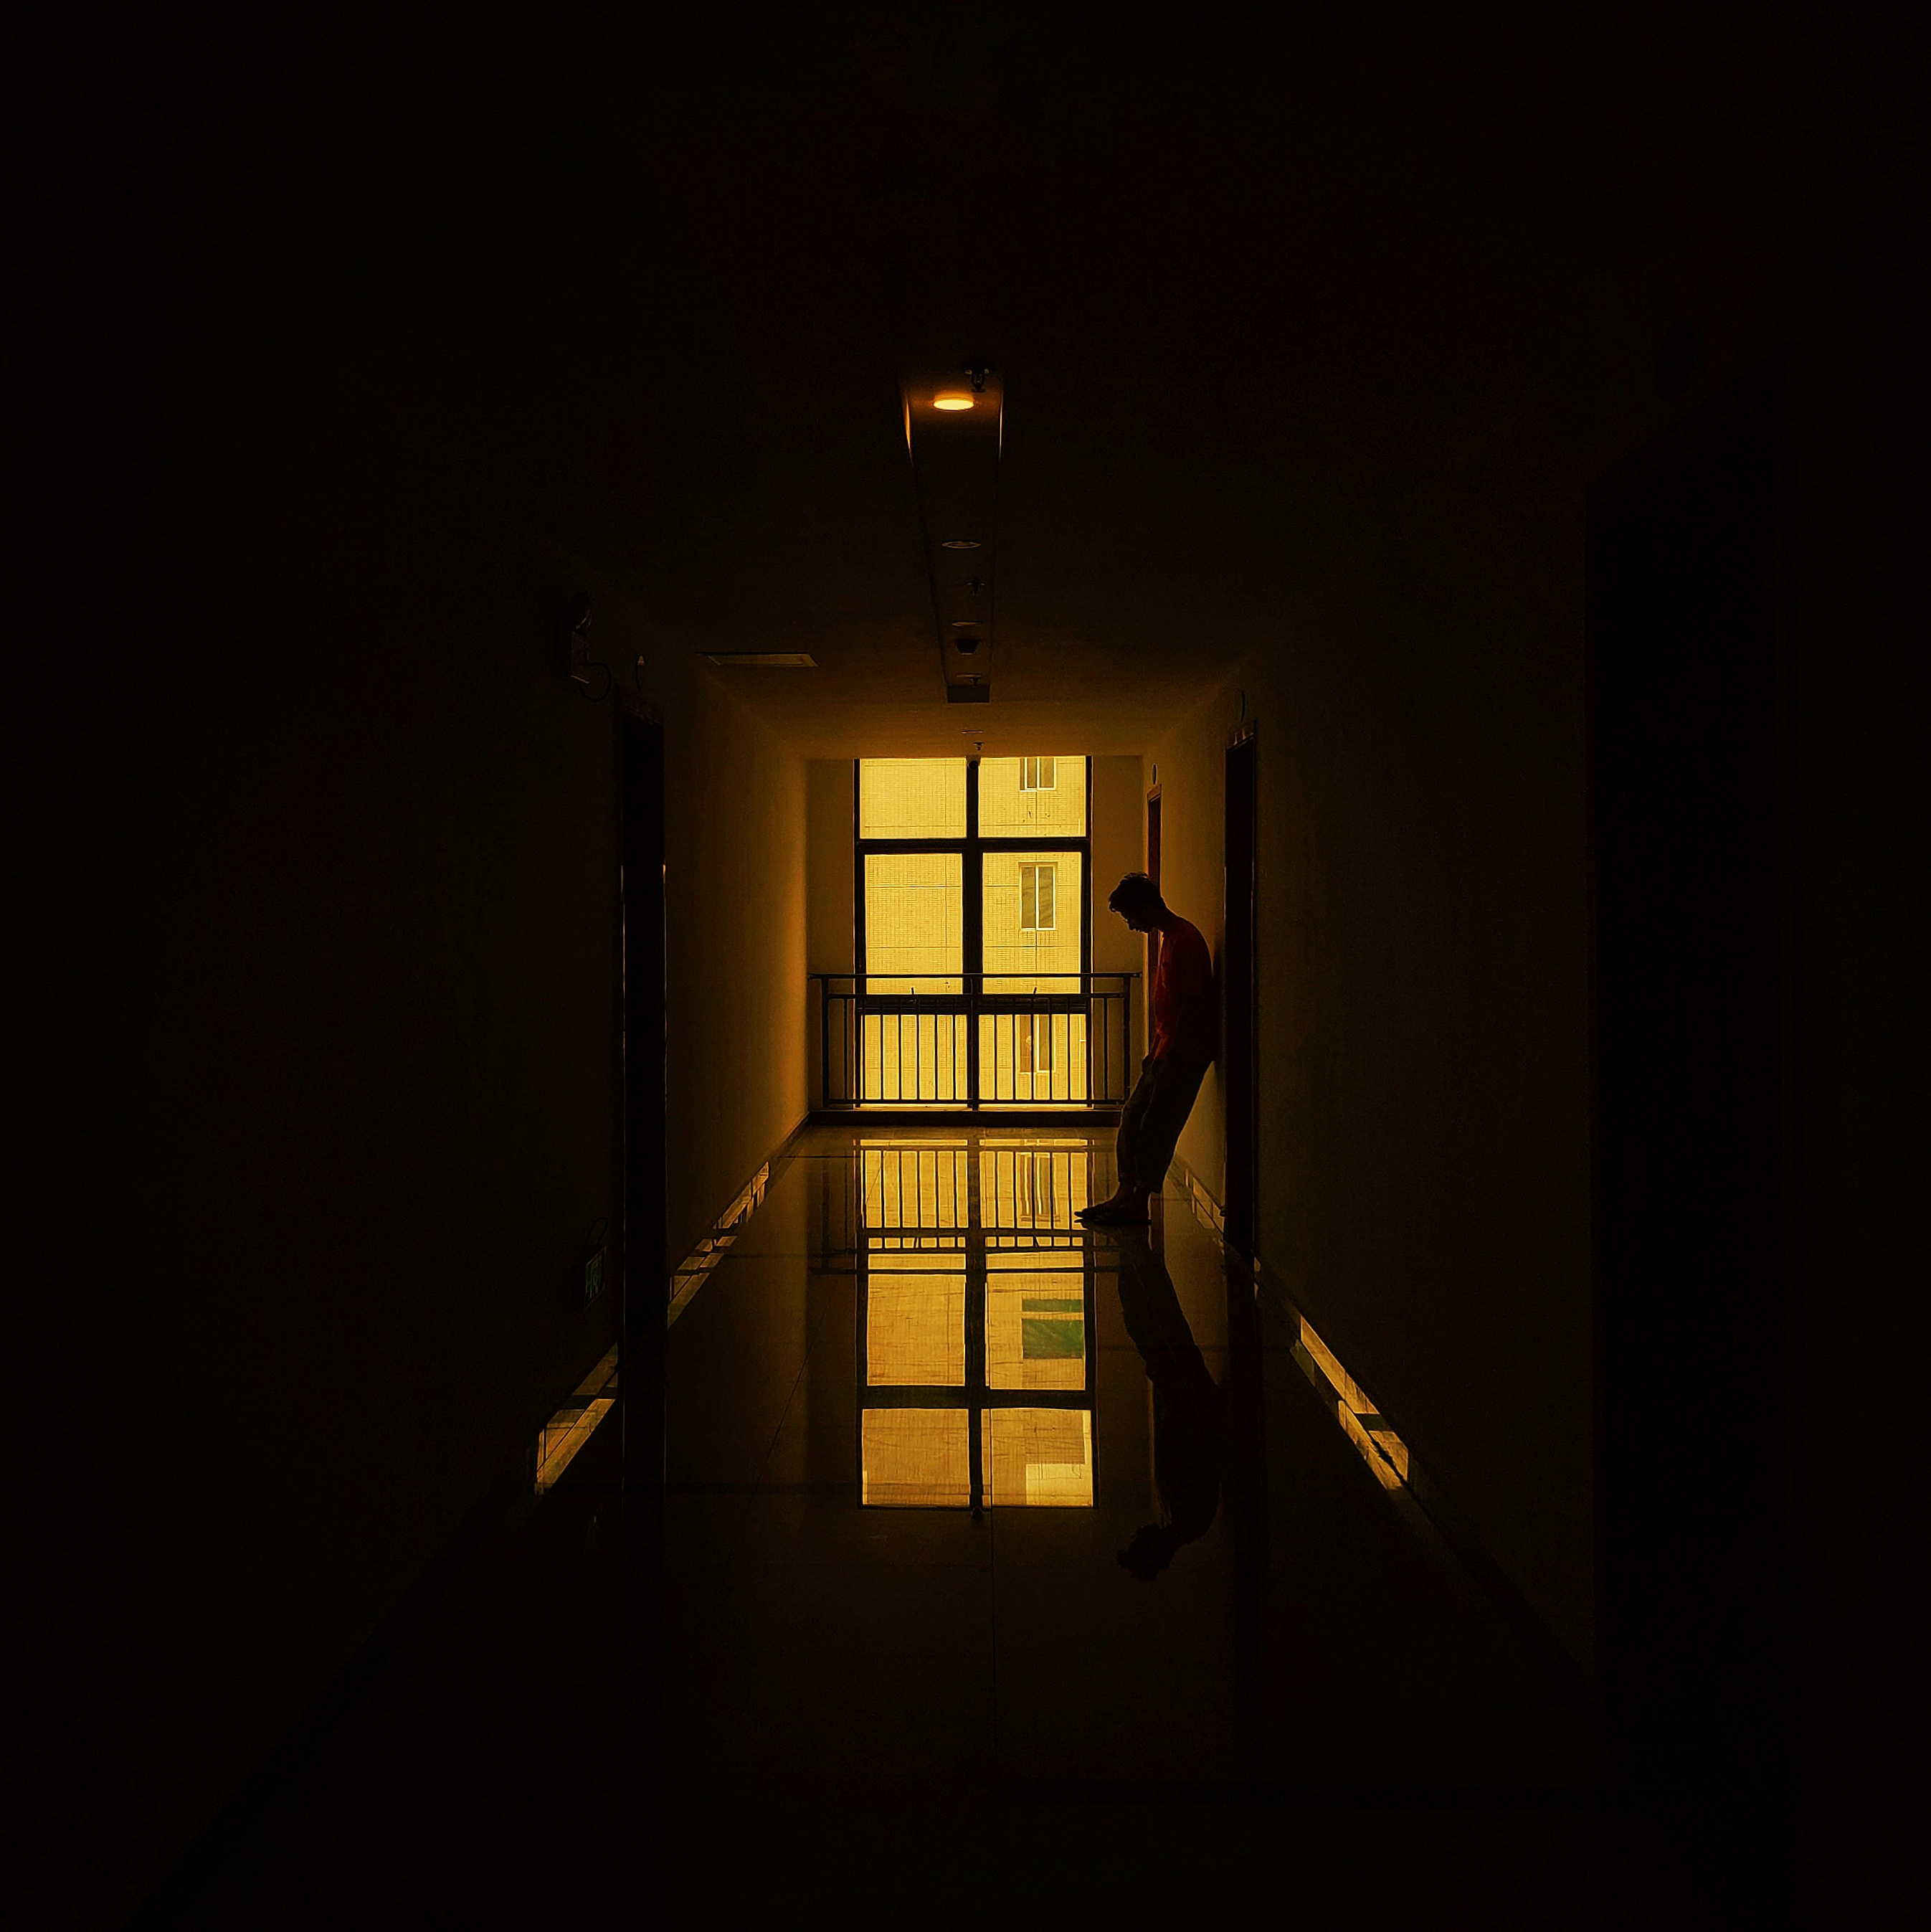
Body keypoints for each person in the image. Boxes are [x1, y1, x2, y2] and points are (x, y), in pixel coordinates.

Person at [1078, 873, 1215, 1224]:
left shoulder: (1185, 940)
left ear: (1146, 908)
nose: (1131, 925)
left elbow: (1192, 1006)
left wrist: (1173, 1058)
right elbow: (1170, 1007)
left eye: (1130, 916)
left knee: (1158, 1128)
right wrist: (1156, 1051)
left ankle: (1137, 1203)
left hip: (1184, 1055)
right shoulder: (1171, 939)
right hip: (1166, 1051)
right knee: (1133, 1117)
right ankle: (1125, 1194)